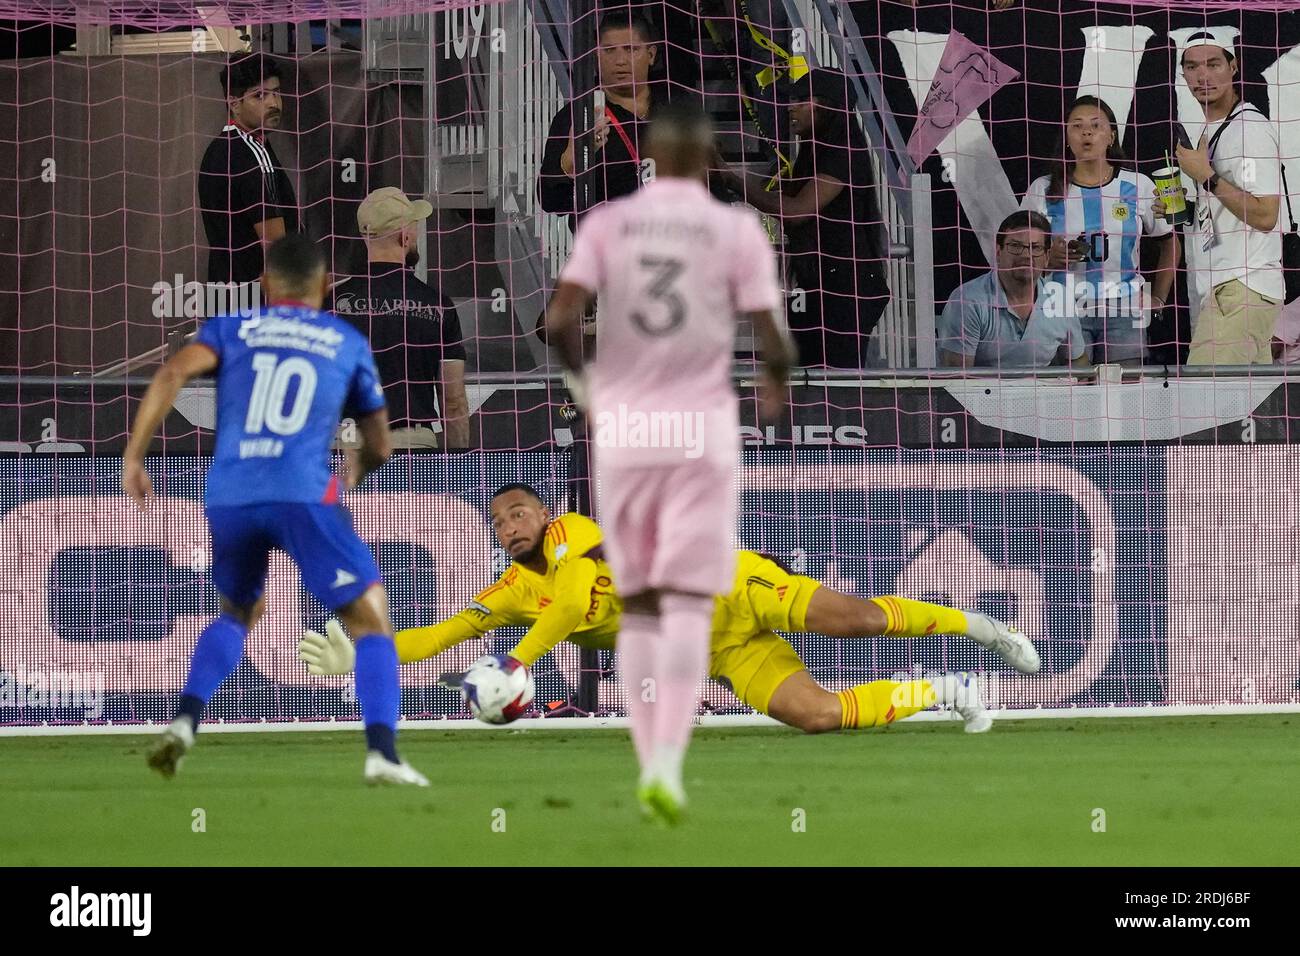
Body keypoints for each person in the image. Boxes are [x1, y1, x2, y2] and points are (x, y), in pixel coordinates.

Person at [299, 486, 1039, 735]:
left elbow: (561, 615)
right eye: (499, 523)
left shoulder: (576, 535)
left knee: (857, 621)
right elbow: (439, 634)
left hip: (726, 582)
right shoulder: (510, 590)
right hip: (715, 649)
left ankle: (980, 626)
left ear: (544, 513)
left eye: (519, 511)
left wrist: (516, 661)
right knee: (815, 715)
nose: (510, 525)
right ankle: (951, 691)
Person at [542, 102, 796, 824]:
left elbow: (560, 319)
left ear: (650, 153)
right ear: (710, 157)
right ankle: (669, 761)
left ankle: (646, 749)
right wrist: (776, 381)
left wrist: (582, 385)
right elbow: (771, 338)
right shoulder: (734, 227)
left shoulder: (607, 223)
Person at [122, 235, 427, 787]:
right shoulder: (343, 339)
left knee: (239, 613)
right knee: (369, 618)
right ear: (326, 285)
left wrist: (135, 454)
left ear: (264, 284)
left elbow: (171, 374)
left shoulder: (233, 328)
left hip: (230, 494)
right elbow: (380, 443)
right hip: (303, 492)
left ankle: (186, 723)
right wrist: (357, 467)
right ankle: (382, 752)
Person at [715, 68, 890, 368]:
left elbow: (795, 212)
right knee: (807, 380)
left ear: (828, 105)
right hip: (817, 284)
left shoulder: (842, 151)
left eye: (802, 99)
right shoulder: (813, 150)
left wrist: (733, 179)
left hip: (845, 290)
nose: (790, 106)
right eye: (791, 99)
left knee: (835, 385)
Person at [1021, 96, 1179, 365]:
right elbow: (1018, 253)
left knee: (1123, 399)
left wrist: (1159, 299)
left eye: (1096, 125)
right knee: (1071, 398)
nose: (1087, 132)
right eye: (1077, 126)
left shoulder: (1137, 185)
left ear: (1111, 137)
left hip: (1125, 308)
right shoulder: (1043, 189)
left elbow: (1170, 242)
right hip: (1063, 307)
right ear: (1067, 138)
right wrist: (1047, 260)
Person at [1158, 32, 1283, 365]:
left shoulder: (1249, 130)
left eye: (1213, 64)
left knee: (1204, 406)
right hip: (1225, 291)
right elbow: (1225, 211)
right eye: (1192, 66)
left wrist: (1207, 178)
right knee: (1244, 413)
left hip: (1241, 289)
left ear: (1233, 67)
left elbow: (1265, 215)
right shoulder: (1213, 129)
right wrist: (1184, 208)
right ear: (1182, 75)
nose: (1203, 75)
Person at [330, 187, 469, 449]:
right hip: (412, 444)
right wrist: (458, 467)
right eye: (414, 227)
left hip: (346, 444)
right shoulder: (438, 304)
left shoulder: (330, 302)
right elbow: (454, 402)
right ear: (405, 237)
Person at [537, 12, 666, 230]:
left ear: (651, 54)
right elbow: (550, 202)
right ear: (596, 56)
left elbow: (712, 186)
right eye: (609, 50)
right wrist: (569, 163)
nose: (620, 60)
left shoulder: (677, 109)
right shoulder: (577, 116)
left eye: (631, 49)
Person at [938, 210, 1089, 369]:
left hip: (1043, 392)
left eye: (1035, 247)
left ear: (1047, 257)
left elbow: (1079, 363)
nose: (1026, 255)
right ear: (998, 252)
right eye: (1015, 246)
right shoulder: (967, 300)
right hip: (983, 393)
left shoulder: (1061, 297)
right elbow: (956, 381)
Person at [198, 54, 299, 285]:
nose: (274, 103)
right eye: (260, 95)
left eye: (276, 92)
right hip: (257, 303)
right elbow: (277, 248)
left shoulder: (217, 150)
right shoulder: (253, 153)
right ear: (234, 104)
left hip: (224, 297)